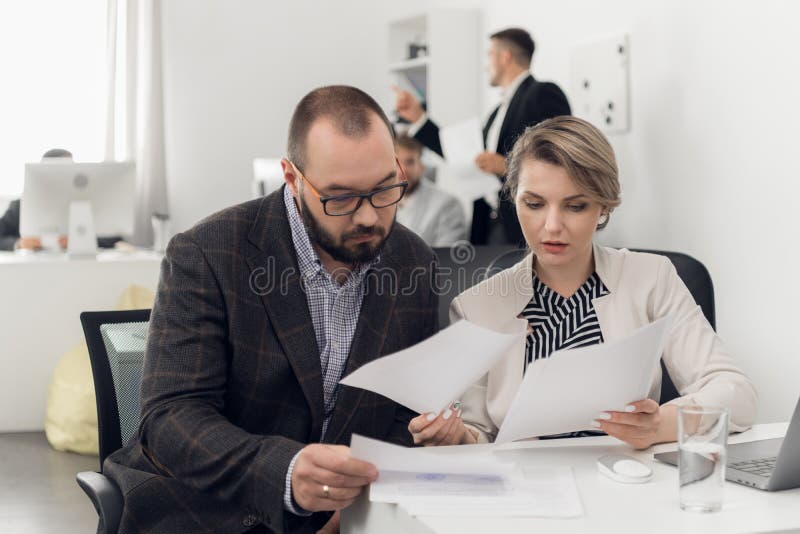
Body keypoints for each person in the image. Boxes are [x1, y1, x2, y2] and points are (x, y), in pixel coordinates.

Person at [103, 86, 439, 534]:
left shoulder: (413, 261)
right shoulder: (209, 252)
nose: (367, 218)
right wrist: (285, 472)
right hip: (212, 507)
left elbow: (403, 413)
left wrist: (354, 503)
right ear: (292, 177)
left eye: (384, 189)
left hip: (349, 515)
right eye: (340, 198)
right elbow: (170, 418)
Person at [407, 116, 757, 449]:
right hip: (526, 491)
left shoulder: (652, 278)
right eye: (534, 204)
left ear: (603, 207)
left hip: (628, 484)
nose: (552, 225)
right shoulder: (476, 308)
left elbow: (737, 394)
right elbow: (479, 433)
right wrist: (453, 437)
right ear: (514, 198)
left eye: (575, 206)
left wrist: (660, 425)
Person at [394, 27, 571, 246]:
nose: (486, 64)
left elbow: (560, 157)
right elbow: (465, 157)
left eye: (489, 55)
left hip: (525, 227)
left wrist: (508, 166)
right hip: (492, 226)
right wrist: (419, 118)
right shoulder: (497, 112)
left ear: (505, 57)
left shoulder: (542, 93)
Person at [394, 135, 467, 247]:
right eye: (396, 162)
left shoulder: (447, 204)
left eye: (409, 162)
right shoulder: (380, 201)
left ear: (422, 166)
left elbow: (447, 257)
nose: (402, 171)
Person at [0, 148, 72, 251]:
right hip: (33, 265)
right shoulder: (20, 206)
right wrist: (19, 243)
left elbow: (103, 238)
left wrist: (82, 241)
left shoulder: (86, 206)